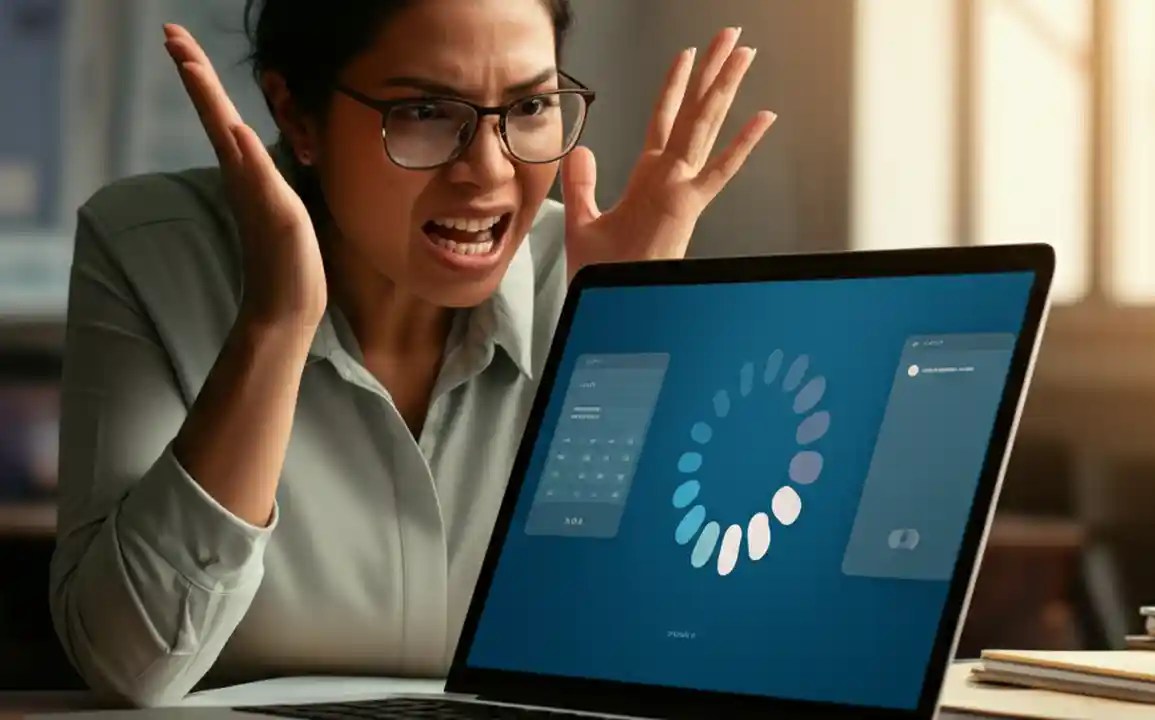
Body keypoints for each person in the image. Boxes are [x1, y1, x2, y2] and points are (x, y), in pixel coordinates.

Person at [47, 0, 775, 708]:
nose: (489, 173)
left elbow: (633, 648)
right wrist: (275, 323)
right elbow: (130, 663)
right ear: (299, 116)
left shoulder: (594, 272)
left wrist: (622, 350)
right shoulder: (151, 250)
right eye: (426, 113)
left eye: (528, 109)